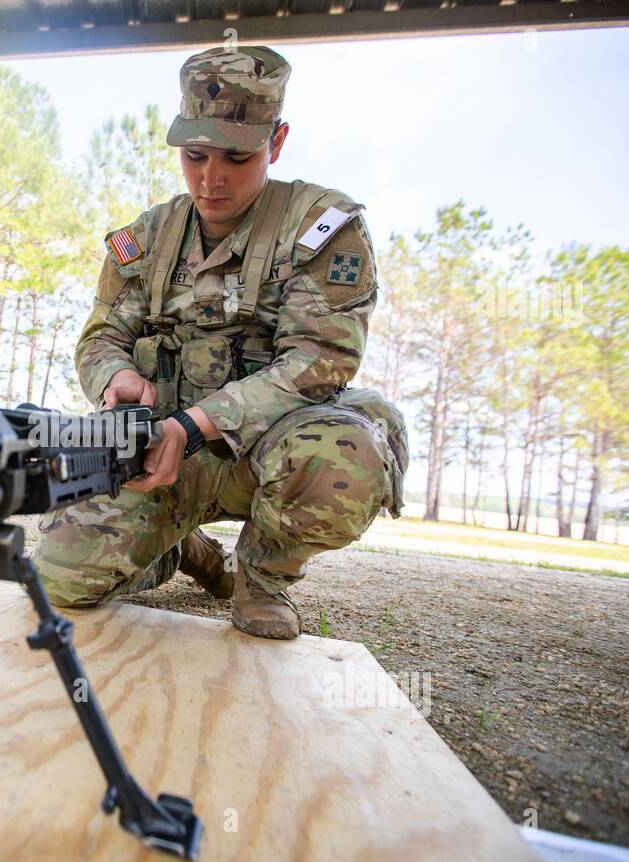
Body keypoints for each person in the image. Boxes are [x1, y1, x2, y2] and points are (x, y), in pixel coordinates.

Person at [33, 46, 409, 640]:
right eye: (195, 155)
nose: (212, 177)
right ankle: (182, 548)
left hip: (269, 452)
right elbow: (102, 336)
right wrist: (114, 380)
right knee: (58, 581)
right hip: (160, 456)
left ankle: (261, 578)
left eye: (237, 156)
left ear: (276, 142)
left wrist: (196, 423)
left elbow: (319, 362)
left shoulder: (321, 227)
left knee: (343, 458)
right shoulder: (147, 237)